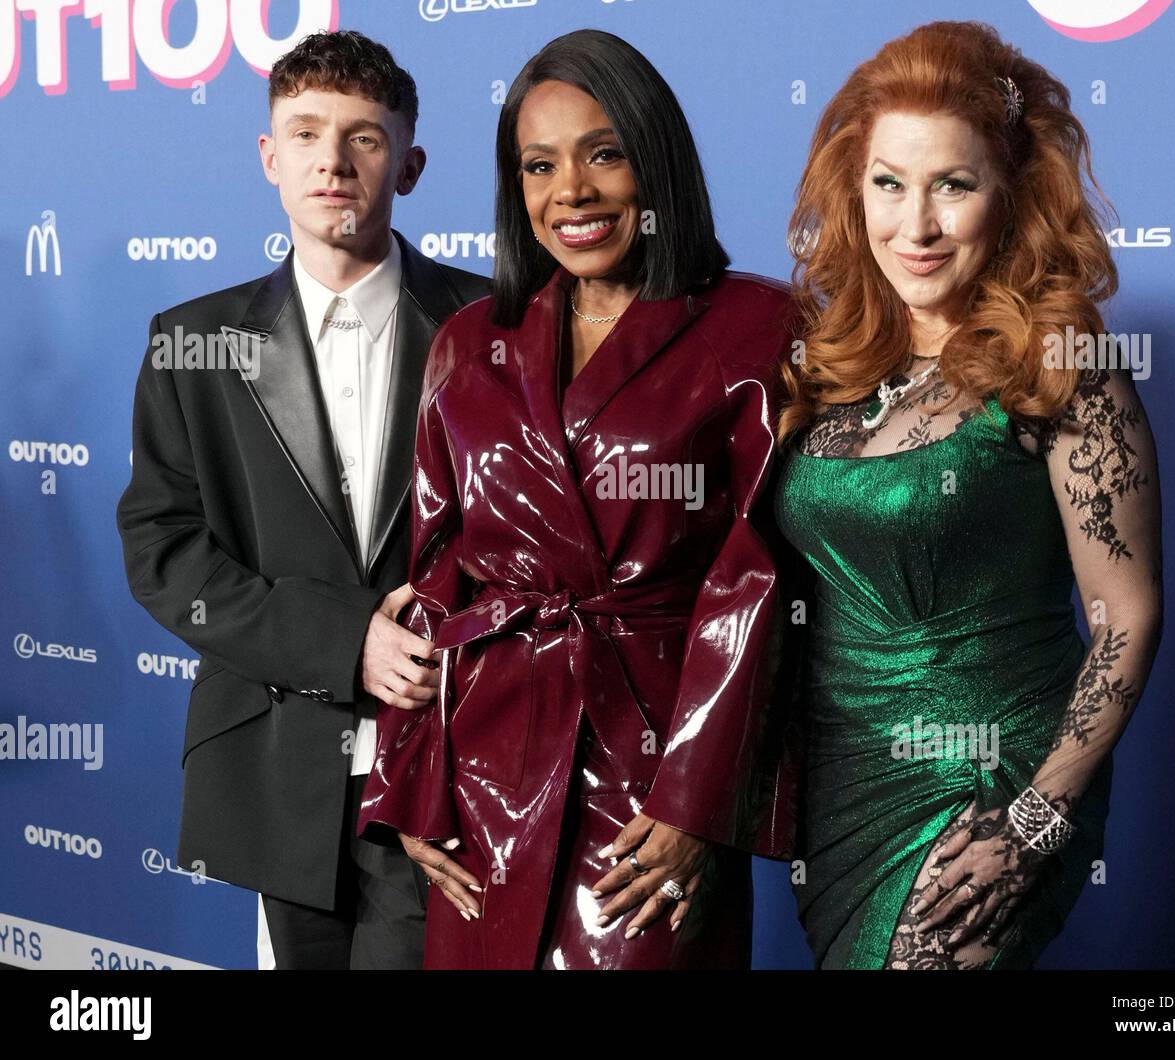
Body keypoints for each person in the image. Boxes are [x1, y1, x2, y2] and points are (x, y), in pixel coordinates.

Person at [357, 28, 800, 969]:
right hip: (484, 773)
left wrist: (696, 807)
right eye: (539, 165)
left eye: (605, 153)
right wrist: (412, 782)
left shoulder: (758, 328)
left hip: (650, 779)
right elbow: (436, 581)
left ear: (657, 160)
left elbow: (757, 585)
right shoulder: (472, 339)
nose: (572, 192)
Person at [774, 20, 1163, 969]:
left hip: (989, 779)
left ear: (1011, 192)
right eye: (889, 184)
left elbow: (1127, 615)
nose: (917, 225)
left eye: (953, 184)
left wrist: (1035, 820)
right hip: (839, 788)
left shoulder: (1061, 361)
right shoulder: (826, 365)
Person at [116, 30, 490, 969]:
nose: (332, 160)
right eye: (307, 132)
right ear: (268, 156)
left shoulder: (493, 329)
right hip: (278, 769)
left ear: (409, 163)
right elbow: (164, 553)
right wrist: (345, 639)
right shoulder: (190, 342)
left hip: (451, 771)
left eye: (363, 137)